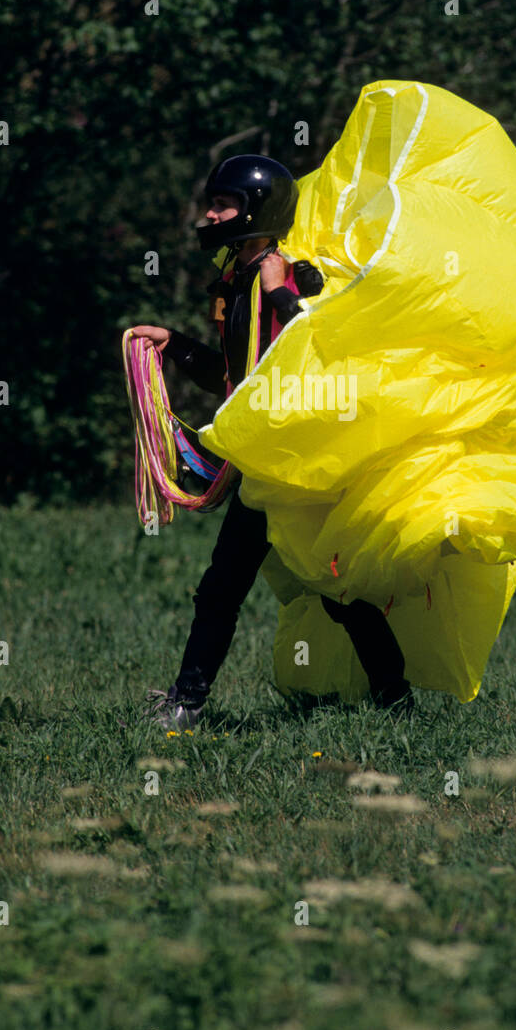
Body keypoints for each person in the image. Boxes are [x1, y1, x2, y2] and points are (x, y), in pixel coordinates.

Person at [130, 154, 414, 729]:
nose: (210, 214)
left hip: (292, 466)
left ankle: (395, 699)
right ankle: (393, 699)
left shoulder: (287, 278)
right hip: (263, 464)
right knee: (234, 586)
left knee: (324, 589)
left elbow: (316, 346)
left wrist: (282, 292)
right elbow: (233, 377)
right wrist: (174, 344)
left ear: (254, 210)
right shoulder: (238, 281)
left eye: (222, 204)